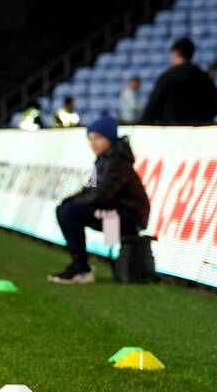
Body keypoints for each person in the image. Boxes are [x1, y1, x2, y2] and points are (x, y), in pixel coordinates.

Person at [50, 116, 150, 284]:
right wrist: (69, 200)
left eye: (98, 138)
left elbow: (102, 195)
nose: (93, 143)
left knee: (70, 212)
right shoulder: (104, 160)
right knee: (64, 209)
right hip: (112, 214)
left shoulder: (117, 161)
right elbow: (90, 189)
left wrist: (73, 204)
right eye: (90, 138)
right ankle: (79, 265)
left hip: (128, 219)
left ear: (109, 138)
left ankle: (82, 269)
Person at [139, 37, 217, 125]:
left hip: (173, 131)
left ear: (176, 53)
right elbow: (216, 107)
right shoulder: (205, 78)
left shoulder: (167, 77)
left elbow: (152, 108)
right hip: (200, 130)